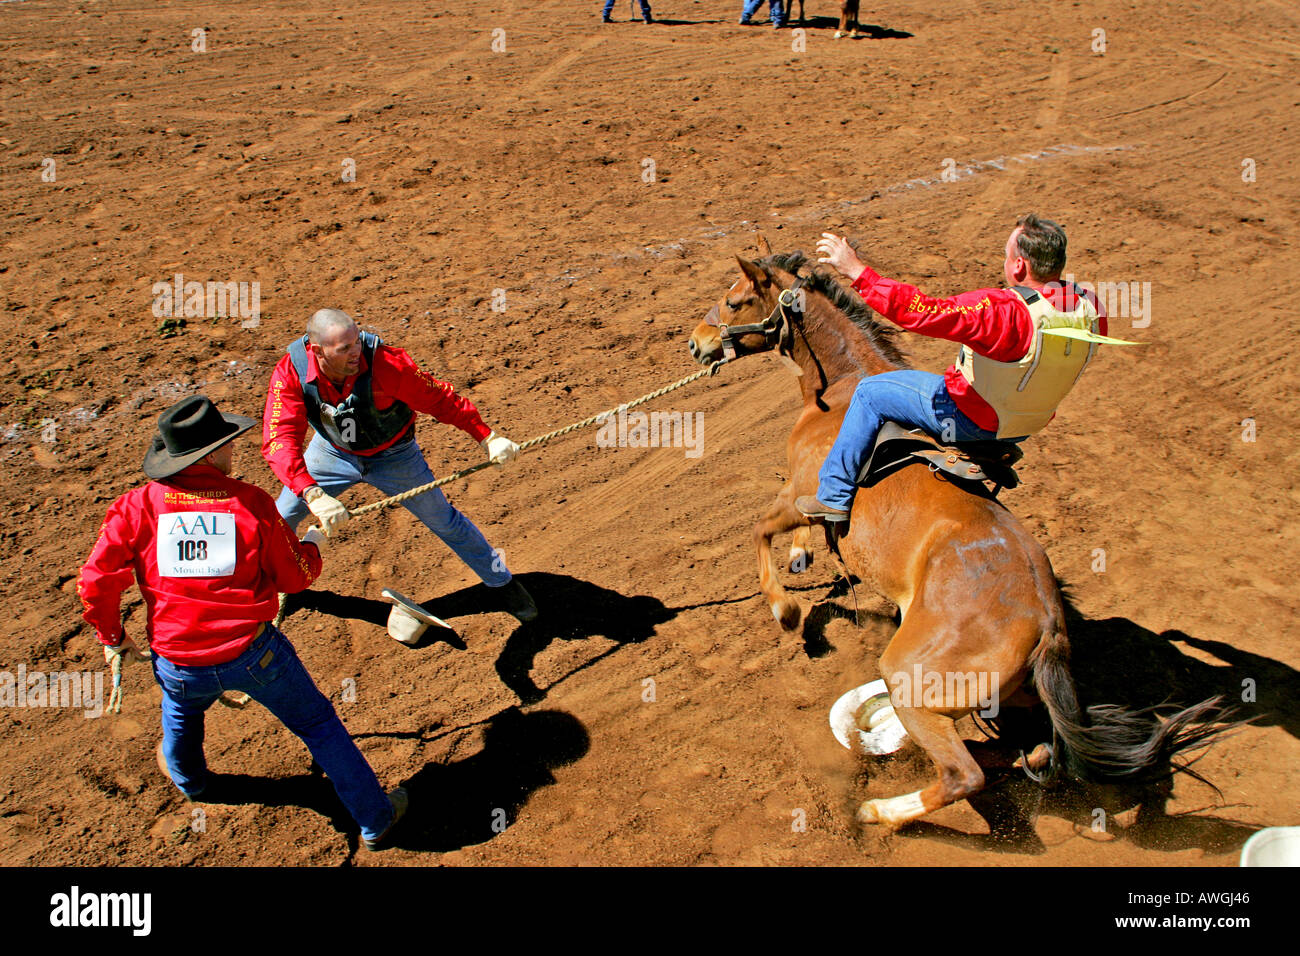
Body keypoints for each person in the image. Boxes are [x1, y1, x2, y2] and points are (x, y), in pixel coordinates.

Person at [77, 396, 408, 850]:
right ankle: (376, 818)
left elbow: (95, 583)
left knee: (180, 714)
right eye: (228, 443)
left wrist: (112, 637)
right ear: (211, 454)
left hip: (177, 661)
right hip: (252, 654)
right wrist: (310, 544)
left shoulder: (136, 507)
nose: (235, 449)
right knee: (318, 726)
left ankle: (192, 783)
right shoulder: (249, 503)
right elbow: (295, 577)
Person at [796, 214, 1110, 521]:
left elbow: (923, 313)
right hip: (1024, 427)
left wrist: (857, 271)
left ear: (1019, 265)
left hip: (968, 419)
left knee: (869, 393)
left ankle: (833, 495)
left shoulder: (1002, 311)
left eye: (1007, 255)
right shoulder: (1092, 307)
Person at [263, 308, 537, 622]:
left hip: (395, 456)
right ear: (317, 351)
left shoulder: (385, 363)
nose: (356, 353)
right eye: (345, 349)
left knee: (444, 521)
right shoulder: (291, 371)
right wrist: (311, 492)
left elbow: (439, 399)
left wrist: (487, 437)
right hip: (332, 453)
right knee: (279, 518)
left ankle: (502, 583)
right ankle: (271, 583)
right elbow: (279, 438)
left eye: (356, 342)